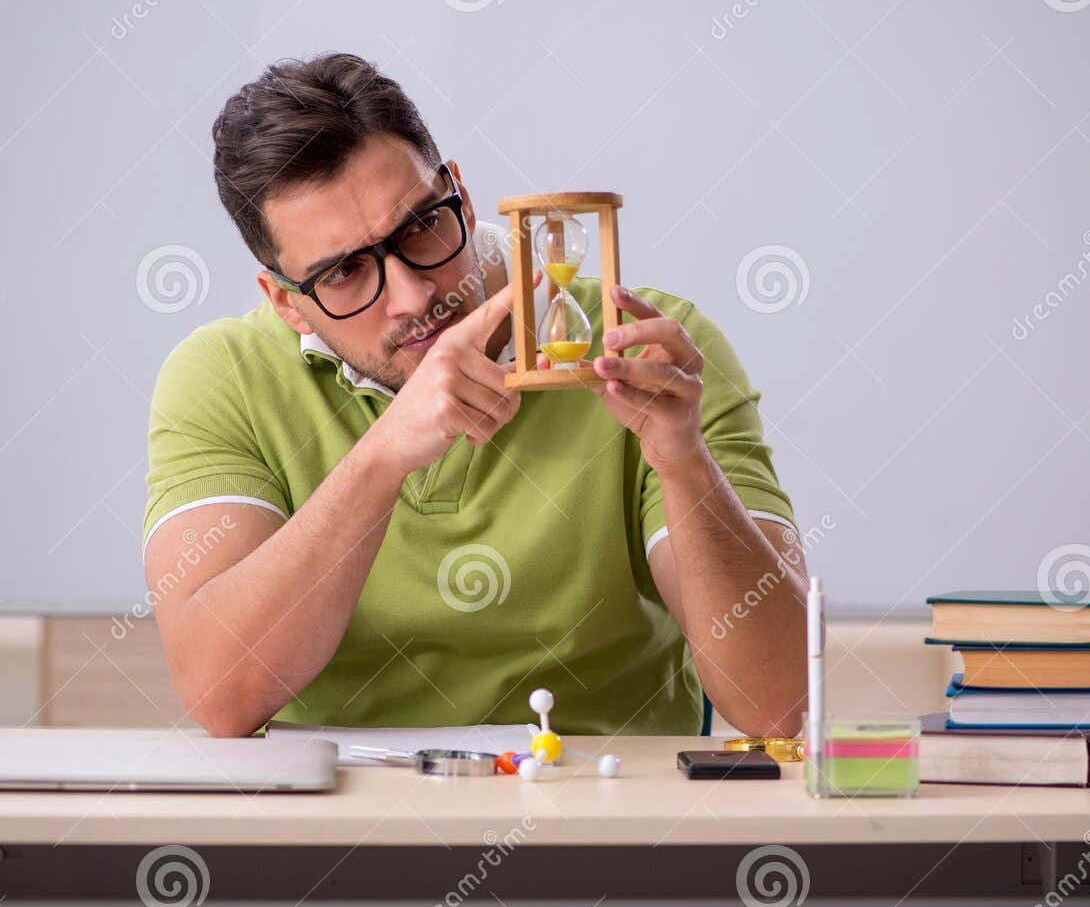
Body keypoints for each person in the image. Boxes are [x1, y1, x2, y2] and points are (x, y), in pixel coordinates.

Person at [143, 53, 806, 738]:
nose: (413, 296)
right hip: (341, 821)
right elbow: (222, 695)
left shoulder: (652, 348)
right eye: (344, 272)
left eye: (422, 226)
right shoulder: (222, 375)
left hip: (607, 816)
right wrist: (384, 456)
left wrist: (684, 462)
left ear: (457, 188)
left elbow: (778, 706)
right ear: (285, 301)